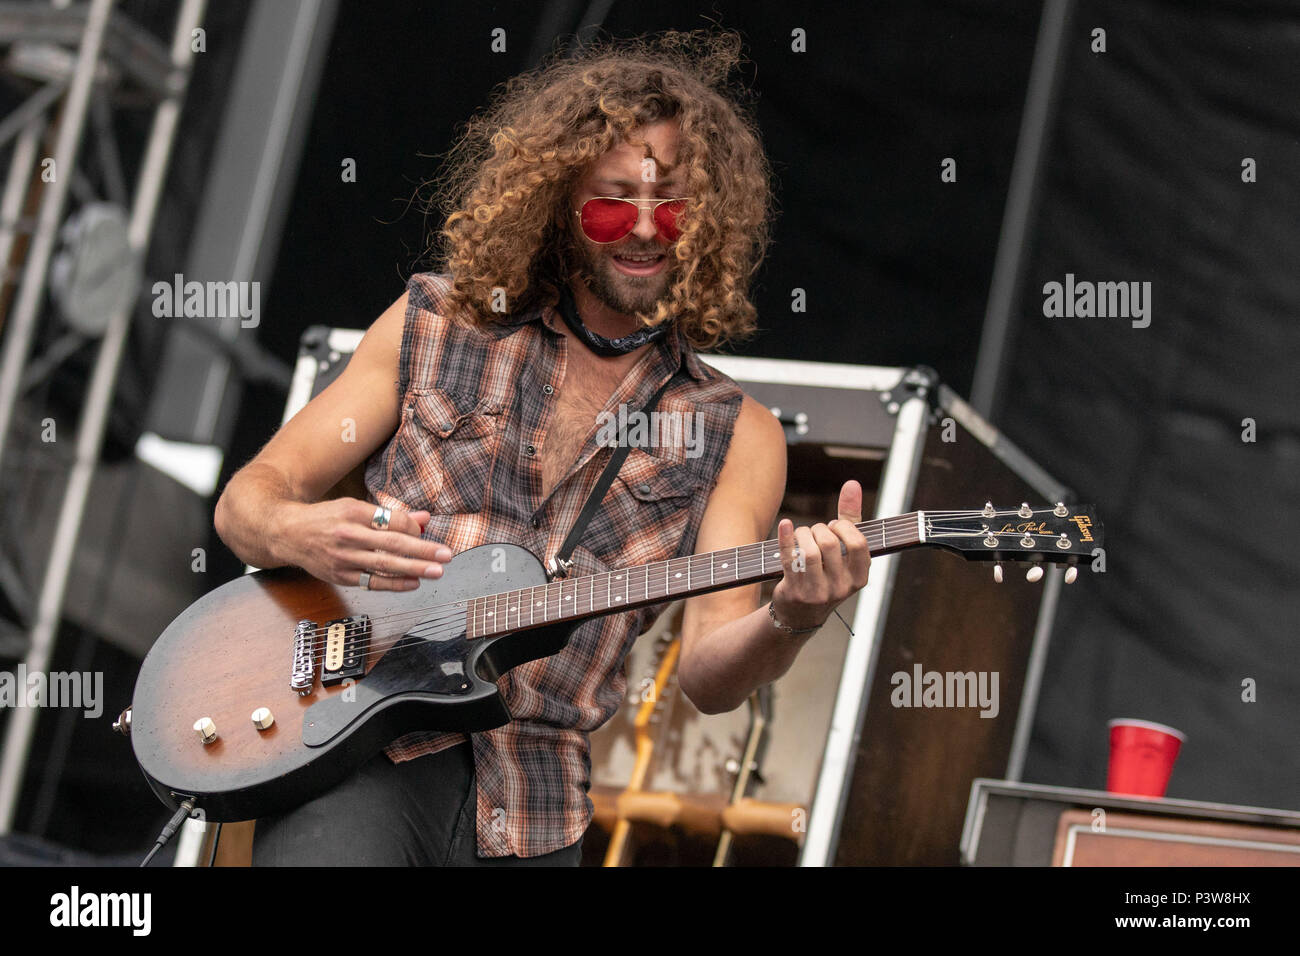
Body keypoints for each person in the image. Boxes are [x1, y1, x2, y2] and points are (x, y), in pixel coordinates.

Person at [213, 30, 871, 866]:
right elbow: (247, 501)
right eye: (610, 204)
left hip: (536, 804)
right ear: (559, 202)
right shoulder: (437, 320)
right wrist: (296, 533)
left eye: (670, 208)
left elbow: (711, 676)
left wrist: (794, 616)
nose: (643, 231)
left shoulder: (735, 429)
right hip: (362, 740)